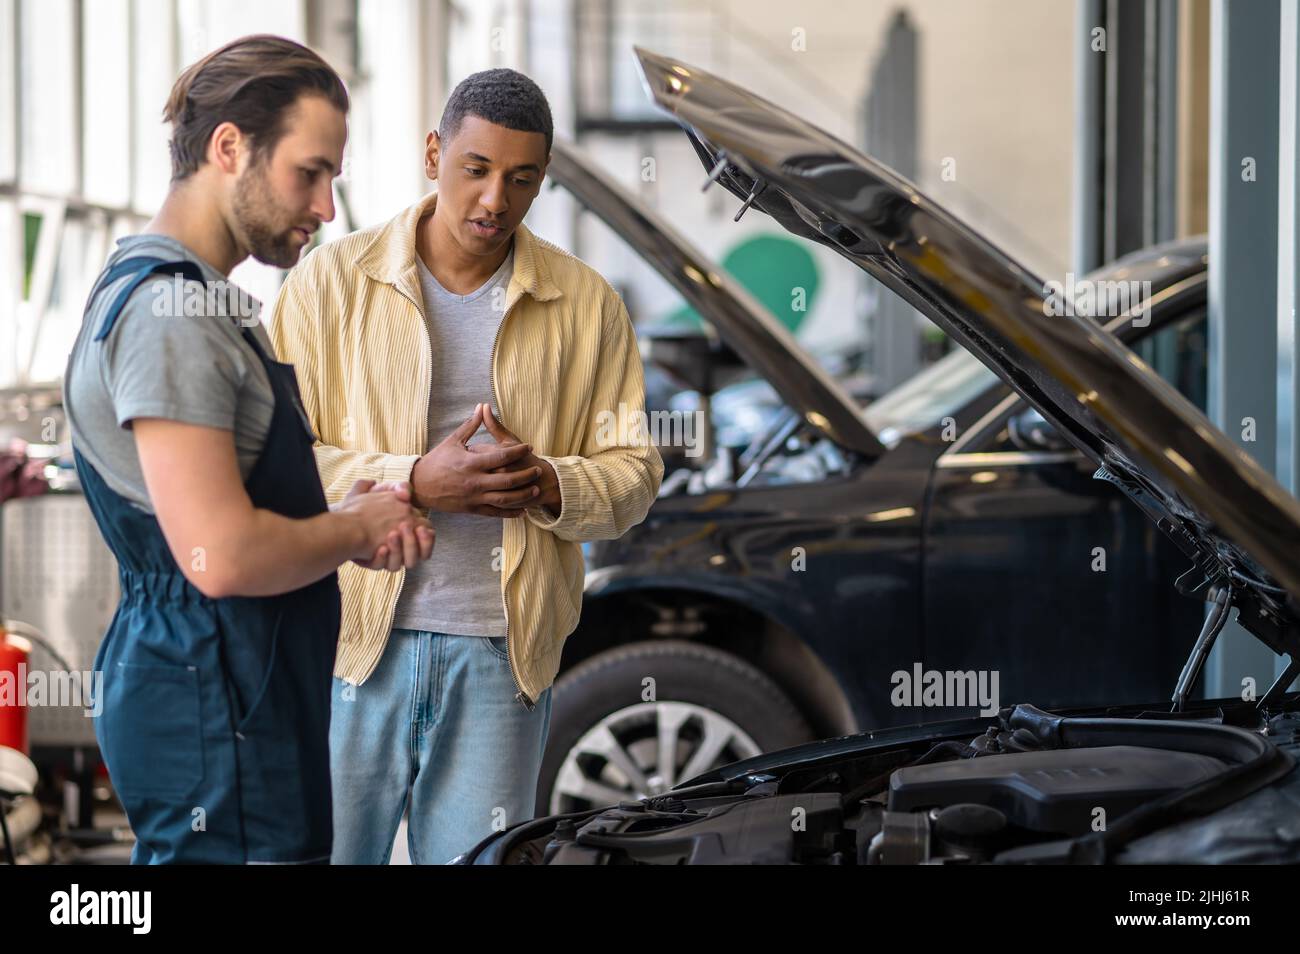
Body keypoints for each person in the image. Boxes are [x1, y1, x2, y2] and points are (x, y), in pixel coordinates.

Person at [270, 68, 664, 864]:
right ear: (433, 153)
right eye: (475, 169)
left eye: (522, 180)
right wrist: (413, 480)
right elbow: (271, 467)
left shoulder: (586, 305)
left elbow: (635, 472)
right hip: (348, 648)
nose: (494, 201)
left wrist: (551, 484)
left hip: (500, 653)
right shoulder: (328, 284)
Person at [62, 35, 434, 865]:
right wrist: (357, 527)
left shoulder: (193, 301)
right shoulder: (174, 318)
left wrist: (332, 517)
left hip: (236, 688)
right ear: (230, 146)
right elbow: (221, 556)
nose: (328, 206)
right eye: (311, 171)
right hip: (214, 695)